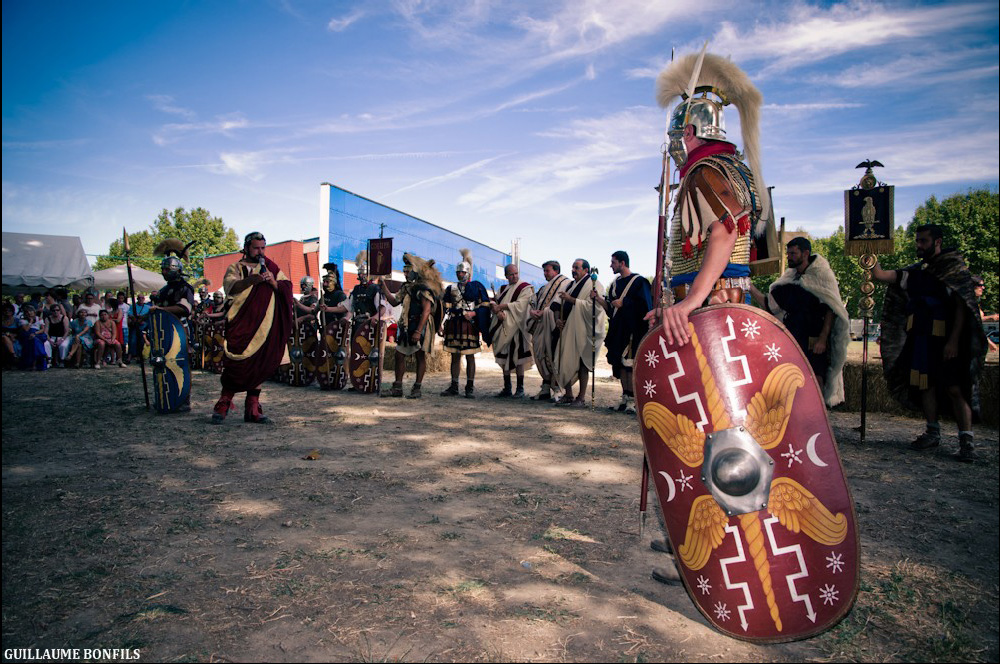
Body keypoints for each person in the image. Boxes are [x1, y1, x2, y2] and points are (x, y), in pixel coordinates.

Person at [644, 51, 773, 585]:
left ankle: (708, 551)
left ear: (691, 131)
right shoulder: (731, 168)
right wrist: (675, 300)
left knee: (710, 433)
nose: (675, 147)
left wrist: (691, 300)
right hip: (721, 305)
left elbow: (722, 234)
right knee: (714, 430)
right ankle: (693, 539)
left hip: (713, 311)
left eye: (679, 136)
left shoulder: (706, 170)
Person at [872, 224, 987, 462]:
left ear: (937, 242)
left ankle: (966, 441)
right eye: (917, 241)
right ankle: (932, 432)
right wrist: (868, 249)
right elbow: (881, 276)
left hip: (947, 341)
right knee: (926, 386)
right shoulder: (917, 273)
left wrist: (953, 341)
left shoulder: (953, 269)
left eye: (923, 241)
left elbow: (962, 308)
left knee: (955, 388)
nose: (919, 245)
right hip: (922, 341)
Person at [750, 237, 850, 406]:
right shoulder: (790, 278)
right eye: (788, 253)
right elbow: (771, 306)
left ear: (805, 253)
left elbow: (831, 309)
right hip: (793, 335)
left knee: (816, 376)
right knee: (790, 374)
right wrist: (750, 287)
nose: (789, 257)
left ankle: (817, 412)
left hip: (813, 336)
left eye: (793, 253)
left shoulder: (822, 275)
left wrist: (822, 338)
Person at [212, 232, 293, 423]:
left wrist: (273, 282)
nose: (260, 252)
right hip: (241, 324)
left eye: (263, 248)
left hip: (264, 327)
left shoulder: (271, 267)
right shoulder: (236, 267)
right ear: (247, 248)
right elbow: (231, 287)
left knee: (259, 364)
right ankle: (224, 403)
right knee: (236, 364)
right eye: (256, 248)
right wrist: (252, 280)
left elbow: (286, 287)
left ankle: (253, 408)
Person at [594, 251, 653, 415]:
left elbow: (645, 306)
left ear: (622, 263)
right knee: (620, 364)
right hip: (617, 330)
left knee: (630, 365)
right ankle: (625, 398)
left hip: (633, 331)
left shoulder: (639, 282)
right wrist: (599, 299)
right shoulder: (614, 284)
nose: (610, 265)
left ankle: (633, 401)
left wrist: (625, 302)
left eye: (613, 262)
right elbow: (611, 310)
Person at [378, 252, 442, 399]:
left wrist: (418, 331)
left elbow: (426, 311)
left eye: (408, 271)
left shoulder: (423, 288)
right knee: (399, 354)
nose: (405, 273)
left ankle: (417, 388)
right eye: (404, 271)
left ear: (415, 272)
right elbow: (394, 302)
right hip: (407, 325)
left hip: (419, 325)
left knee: (420, 355)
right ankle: (397, 387)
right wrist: (384, 287)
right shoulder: (406, 287)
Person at [553, 259, 606, 407]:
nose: (573, 270)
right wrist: (558, 319)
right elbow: (558, 303)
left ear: (586, 270)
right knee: (564, 358)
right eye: (572, 267)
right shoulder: (570, 285)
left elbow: (593, 307)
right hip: (568, 328)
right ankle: (568, 394)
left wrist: (571, 299)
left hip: (585, 330)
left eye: (577, 268)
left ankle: (581, 398)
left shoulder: (595, 285)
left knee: (583, 364)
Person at [439, 249, 491, 398]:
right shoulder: (451, 288)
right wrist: (440, 324)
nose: (460, 274)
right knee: (455, 356)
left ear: (467, 273)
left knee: (470, 356)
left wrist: (474, 313)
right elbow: (444, 307)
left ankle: (470, 387)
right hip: (454, 324)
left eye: (462, 272)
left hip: (469, 325)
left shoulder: (476, 287)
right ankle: (454, 386)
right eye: (458, 272)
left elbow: (485, 305)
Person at [489, 263, 534, 398]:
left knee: (519, 358)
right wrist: (495, 308)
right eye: (511, 274)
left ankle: (520, 389)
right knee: (504, 357)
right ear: (506, 276)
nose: (514, 276)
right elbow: (494, 302)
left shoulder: (525, 288)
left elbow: (521, 306)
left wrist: (501, 307)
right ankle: (507, 388)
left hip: (518, 327)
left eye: (516, 273)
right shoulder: (503, 289)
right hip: (503, 327)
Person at [528, 260, 570, 402]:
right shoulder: (544, 287)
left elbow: (560, 304)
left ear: (556, 270)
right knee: (541, 356)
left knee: (554, 356)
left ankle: (558, 389)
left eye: (547, 271)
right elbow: (533, 301)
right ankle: (545, 388)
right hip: (540, 326)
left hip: (555, 327)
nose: (545, 274)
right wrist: (532, 311)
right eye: (544, 271)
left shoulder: (565, 283)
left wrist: (544, 312)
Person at [17, 304, 50, 371]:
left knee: (35, 340)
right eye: (27, 312)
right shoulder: (22, 320)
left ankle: (35, 364)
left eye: (30, 311)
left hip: (37, 334)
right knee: (34, 341)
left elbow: (42, 329)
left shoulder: (39, 318)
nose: (29, 313)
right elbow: (26, 329)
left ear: (34, 312)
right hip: (27, 335)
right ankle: (43, 354)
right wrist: (30, 322)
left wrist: (35, 333)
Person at [971, 275, 998, 352]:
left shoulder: (974, 303)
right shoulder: (966, 303)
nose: (983, 288)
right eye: (980, 285)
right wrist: (990, 318)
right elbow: (972, 323)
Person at [46, 303, 70, 368]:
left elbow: (67, 331)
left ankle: (62, 360)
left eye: (57, 310)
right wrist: (50, 340)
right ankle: (49, 360)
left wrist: (61, 340)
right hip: (52, 337)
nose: (55, 312)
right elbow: (46, 331)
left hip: (63, 337)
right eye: (53, 310)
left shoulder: (64, 318)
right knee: (46, 344)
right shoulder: (48, 319)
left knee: (63, 346)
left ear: (60, 311)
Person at [2, 302, 21, 369]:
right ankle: (13, 355)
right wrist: (7, 334)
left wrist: (13, 335)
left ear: (12, 311)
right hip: (3, 338)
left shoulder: (16, 320)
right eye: (5, 310)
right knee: (4, 337)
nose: (7, 312)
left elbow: (20, 331)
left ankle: (13, 357)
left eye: (9, 310)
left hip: (14, 339)